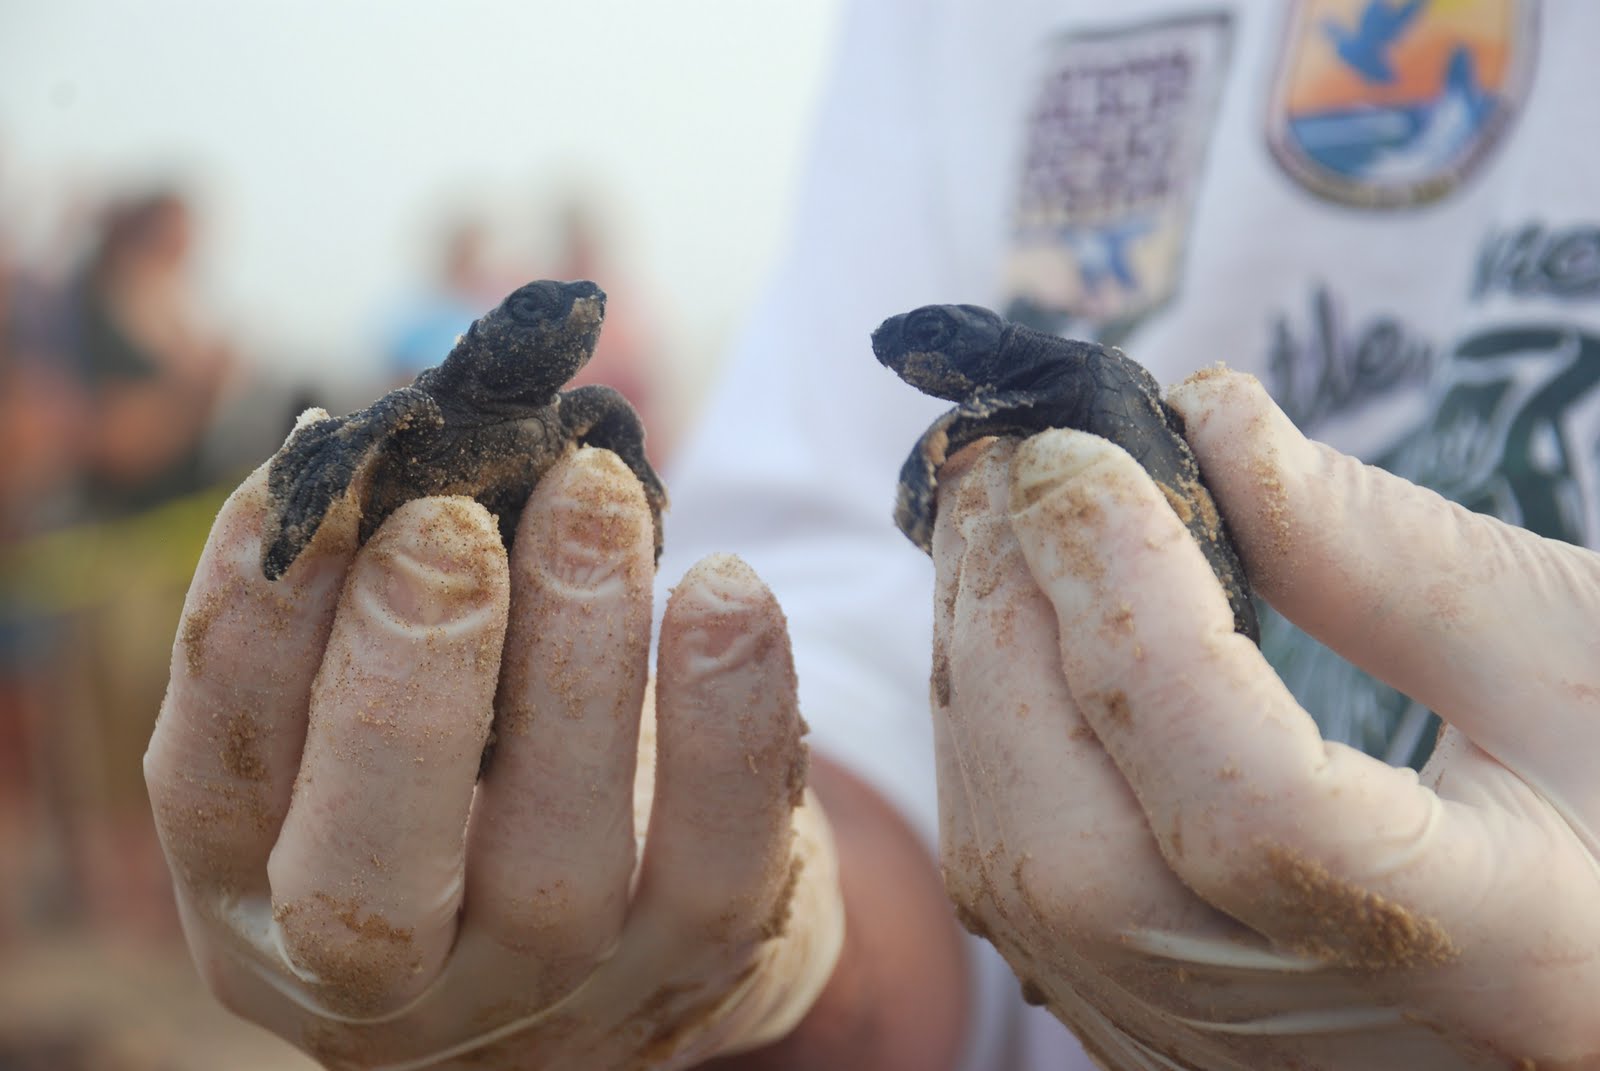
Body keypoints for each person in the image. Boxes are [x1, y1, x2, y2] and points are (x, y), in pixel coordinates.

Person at [143, 2, 1600, 1068]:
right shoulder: (939, 48)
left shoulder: (1033, 392)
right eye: (551, 325)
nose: (577, 335)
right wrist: (728, 942)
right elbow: (856, 632)